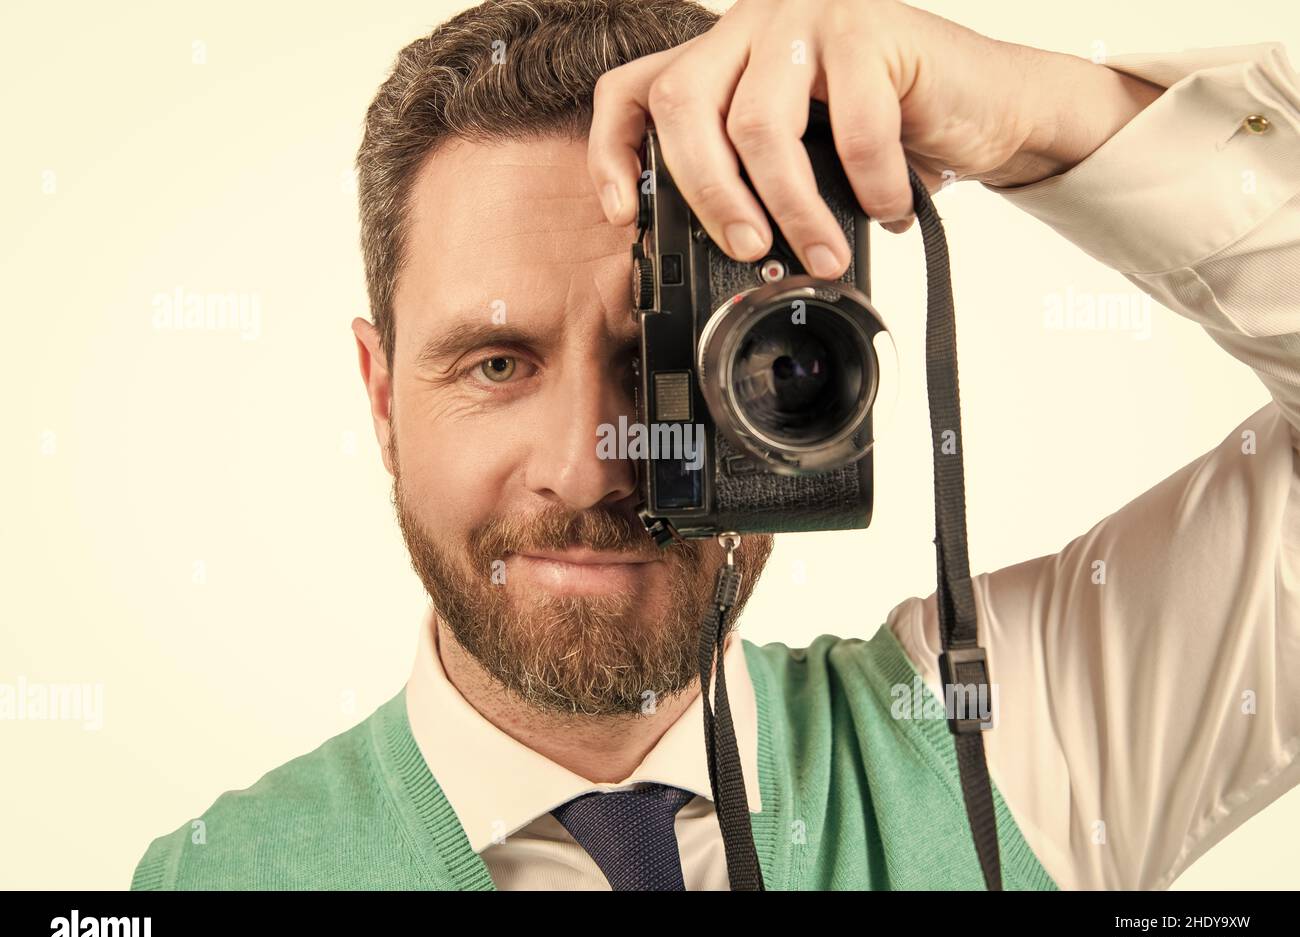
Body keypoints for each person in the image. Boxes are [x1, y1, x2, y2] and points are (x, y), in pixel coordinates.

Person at [131, 0, 1300, 890]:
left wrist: (1039, 114)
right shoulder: (215, 874)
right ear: (381, 398)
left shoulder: (1011, 740)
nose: (591, 464)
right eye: (496, 364)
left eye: (667, 362)